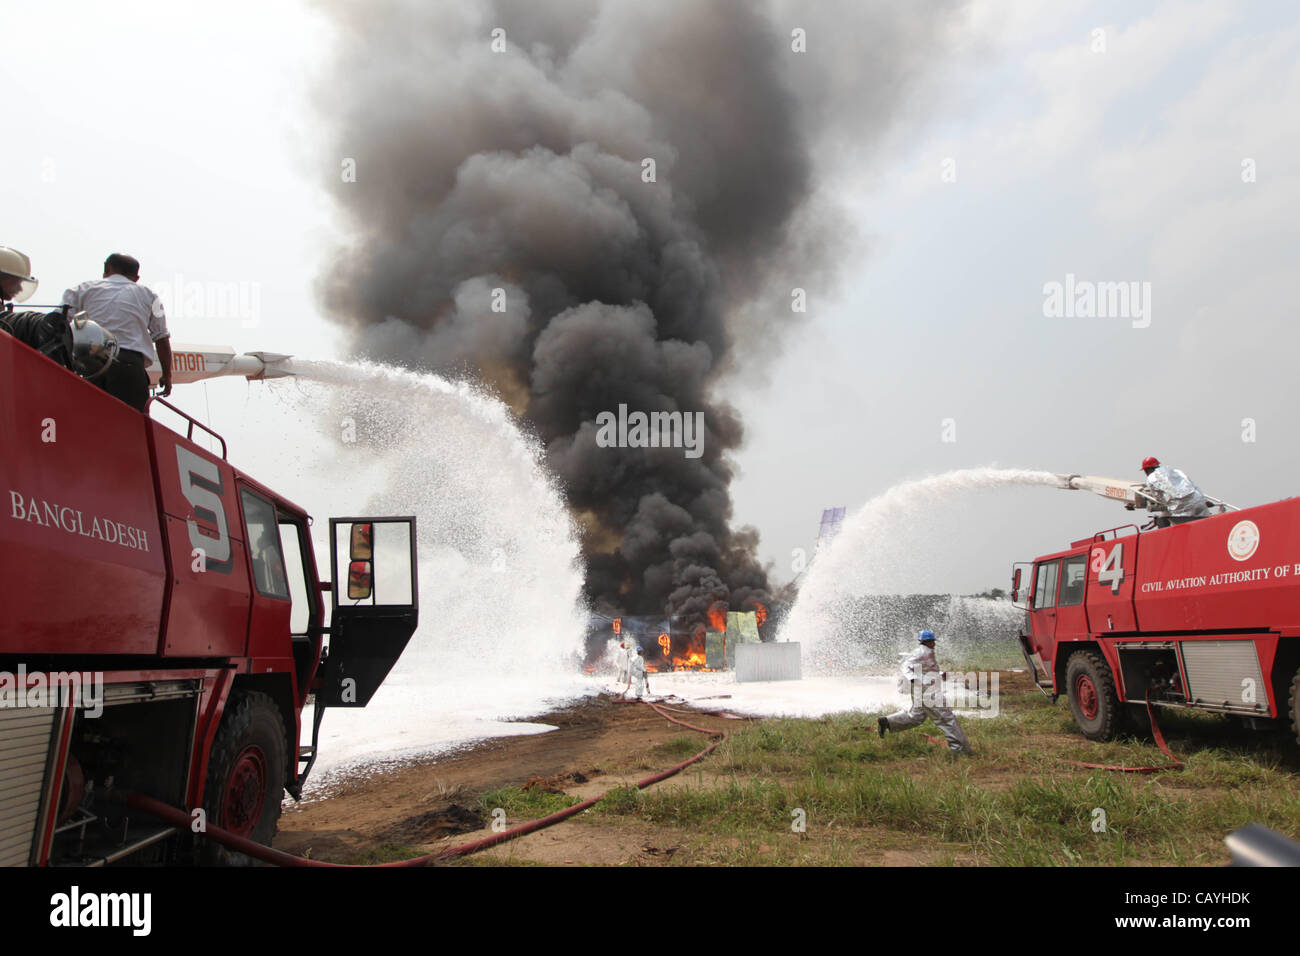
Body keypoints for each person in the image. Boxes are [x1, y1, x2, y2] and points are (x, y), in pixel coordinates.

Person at [62, 253, 172, 411]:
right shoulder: (151, 296)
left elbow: (58, 323)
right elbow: (161, 338)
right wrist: (167, 375)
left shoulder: (82, 289)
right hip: (129, 366)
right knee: (131, 426)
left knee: (89, 421)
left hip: (89, 364)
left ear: (106, 268)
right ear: (136, 278)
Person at [878, 629, 971, 754]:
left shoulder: (926, 652)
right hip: (927, 691)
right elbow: (906, 666)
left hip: (922, 690)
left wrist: (939, 674)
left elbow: (925, 670)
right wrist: (912, 679)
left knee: (916, 716)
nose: (934, 644)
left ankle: (888, 722)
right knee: (946, 718)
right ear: (929, 641)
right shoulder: (922, 652)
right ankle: (960, 750)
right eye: (933, 641)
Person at [1139, 456, 1207, 526]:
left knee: (1182, 531)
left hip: (1182, 508)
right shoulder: (1176, 471)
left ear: (1146, 470)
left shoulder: (1151, 478)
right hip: (1199, 501)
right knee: (1206, 526)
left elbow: (1159, 498)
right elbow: (1192, 485)